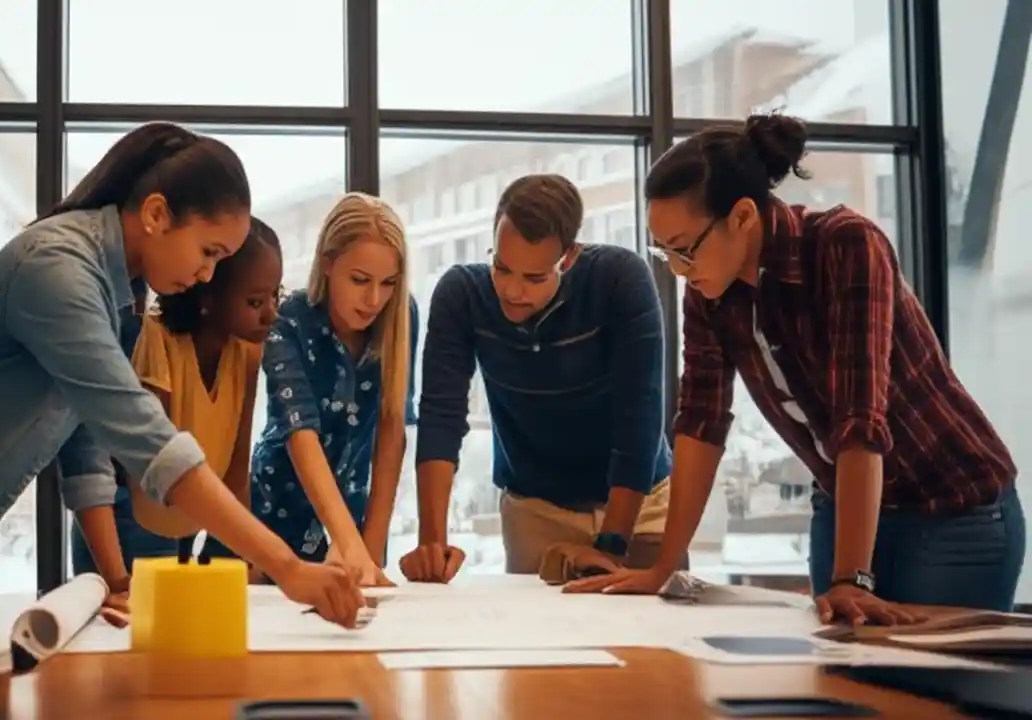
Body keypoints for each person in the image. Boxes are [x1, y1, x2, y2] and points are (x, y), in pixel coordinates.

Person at [0, 122, 363, 628]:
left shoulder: (120, 296)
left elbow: (86, 448)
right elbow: (150, 444)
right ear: (157, 214)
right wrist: (287, 567)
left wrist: (117, 583)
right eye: (208, 251)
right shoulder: (57, 270)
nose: (207, 273)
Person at [565, 112, 1023, 624]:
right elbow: (699, 422)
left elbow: (859, 419)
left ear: (741, 216)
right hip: (842, 501)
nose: (676, 269)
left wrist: (852, 578)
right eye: (664, 252)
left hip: (954, 507)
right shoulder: (708, 290)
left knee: (938, 693)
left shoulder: (845, 244)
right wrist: (662, 569)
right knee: (846, 684)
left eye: (684, 250)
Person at [399, 174, 676, 582]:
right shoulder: (462, 295)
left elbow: (641, 415)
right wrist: (432, 546)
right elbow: (441, 417)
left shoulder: (620, 279)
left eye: (534, 278)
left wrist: (611, 544)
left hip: (638, 504)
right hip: (536, 511)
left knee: (652, 636)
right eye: (502, 268)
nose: (512, 291)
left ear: (569, 258)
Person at [69, 217, 283, 574]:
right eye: (256, 301)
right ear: (208, 296)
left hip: (189, 513)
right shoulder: (158, 337)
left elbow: (236, 466)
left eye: (276, 295)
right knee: (134, 625)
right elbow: (153, 460)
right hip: (136, 513)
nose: (271, 314)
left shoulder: (246, 352)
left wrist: (252, 556)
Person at [250, 192, 417, 587]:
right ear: (327, 263)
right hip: (273, 518)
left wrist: (369, 552)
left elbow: (392, 430)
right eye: (359, 280)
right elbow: (299, 432)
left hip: (353, 524)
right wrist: (350, 544)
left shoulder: (401, 315)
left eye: (388, 283)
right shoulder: (287, 317)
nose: (374, 299)